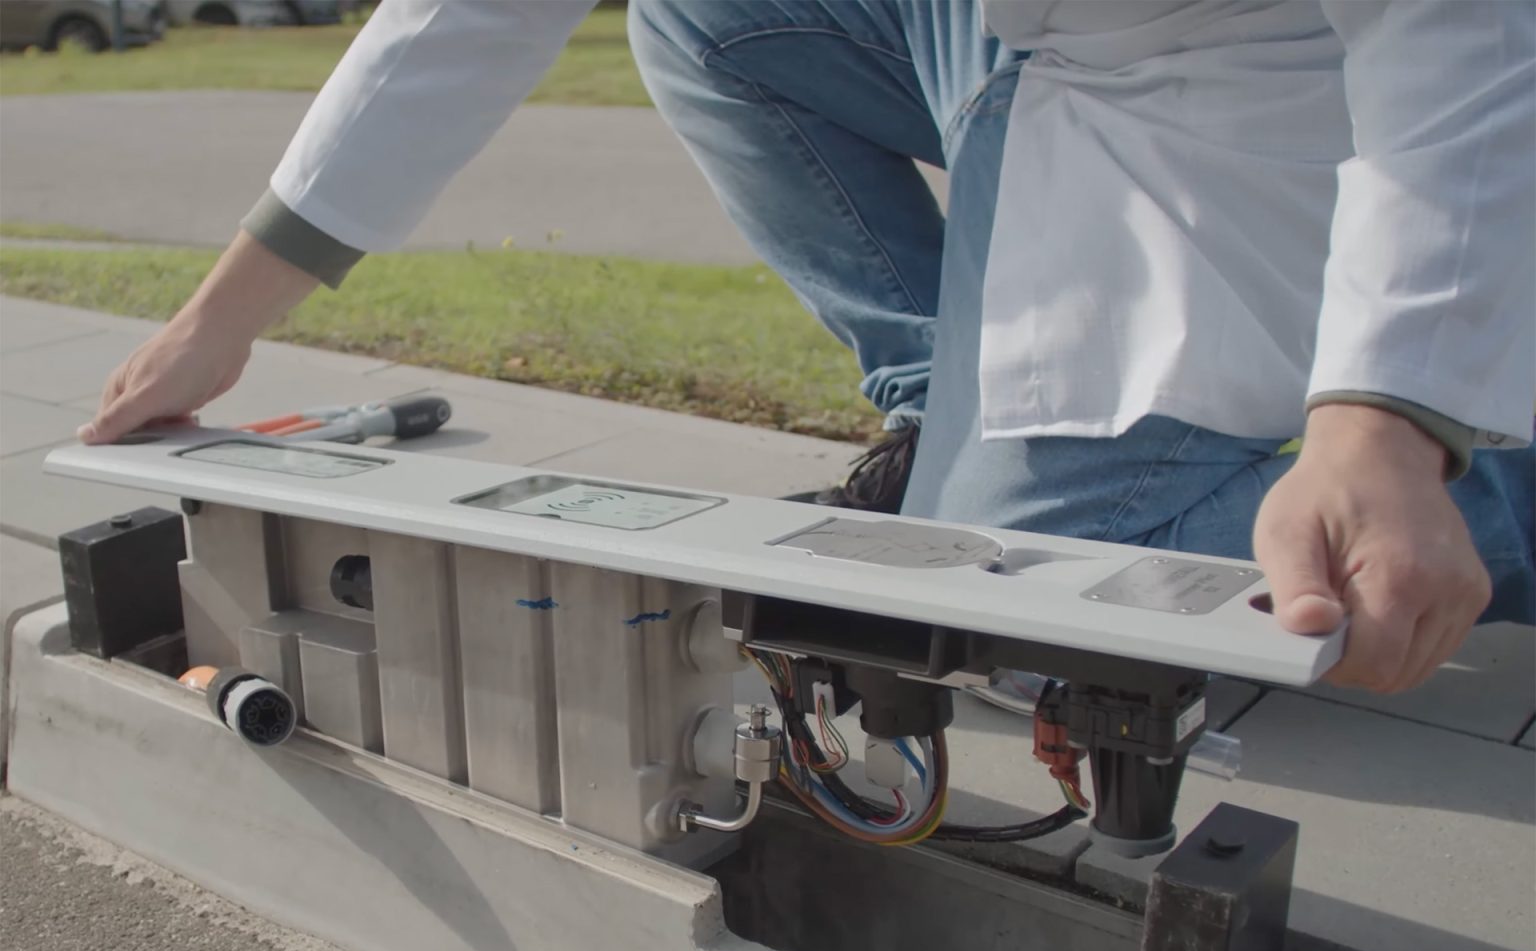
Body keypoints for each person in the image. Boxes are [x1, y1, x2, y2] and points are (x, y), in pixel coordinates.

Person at [81, 0, 1534, 697]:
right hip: (1010, 27)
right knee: (704, 13)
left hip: (1261, 56)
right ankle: (934, 407)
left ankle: (1500, 505)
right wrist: (220, 325)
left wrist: (1385, 426)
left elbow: (1463, 26)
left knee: (1044, 612)